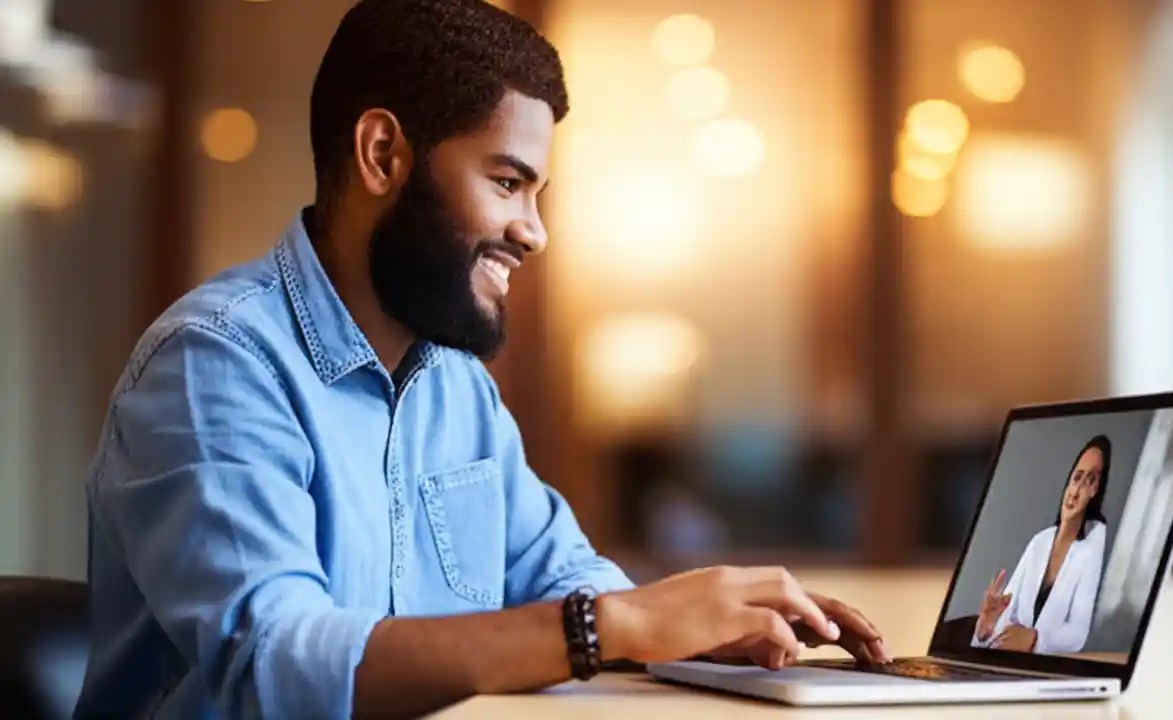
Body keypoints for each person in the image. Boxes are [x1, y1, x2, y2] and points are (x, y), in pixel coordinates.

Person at [73, 1, 889, 717]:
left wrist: (709, 625)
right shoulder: (216, 364)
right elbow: (279, 668)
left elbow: (560, 577)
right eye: (507, 183)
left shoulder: (454, 385)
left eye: (537, 195)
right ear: (383, 155)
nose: (534, 231)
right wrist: (613, 628)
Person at [971, 435, 1111, 654]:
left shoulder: (1091, 546)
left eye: (1090, 481)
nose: (1076, 491)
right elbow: (1005, 616)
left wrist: (1035, 640)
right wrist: (986, 629)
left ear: (1096, 492)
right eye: (1076, 478)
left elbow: (1078, 633)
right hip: (1008, 667)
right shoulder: (1040, 541)